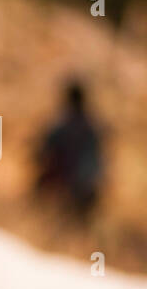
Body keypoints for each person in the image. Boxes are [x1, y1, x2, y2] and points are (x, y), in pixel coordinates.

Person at [34, 75, 103, 219]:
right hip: (88, 186)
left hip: (71, 184)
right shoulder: (93, 125)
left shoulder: (66, 124)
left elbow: (47, 147)